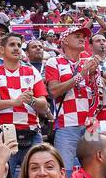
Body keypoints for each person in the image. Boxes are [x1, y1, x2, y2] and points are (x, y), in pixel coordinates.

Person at [0, 32, 48, 163]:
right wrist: (14, 102)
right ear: (1, 49)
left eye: (19, 45)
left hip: (32, 131)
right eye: (12, 45)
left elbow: (43, 104)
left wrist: (31, 100)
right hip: (4, 133)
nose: (17, 48)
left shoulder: (32, 71)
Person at [42, 22, 101, 170]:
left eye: (84, 37)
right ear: (65, 40)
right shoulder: (53, 61)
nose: (82, 39)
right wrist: (80, 76)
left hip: (91, 125)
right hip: (67, 124)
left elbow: (98, 94)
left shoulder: (89, 62)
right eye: (77, 36)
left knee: (94, 170)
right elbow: (54, 91)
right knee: (65, 171)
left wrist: (94, 75)